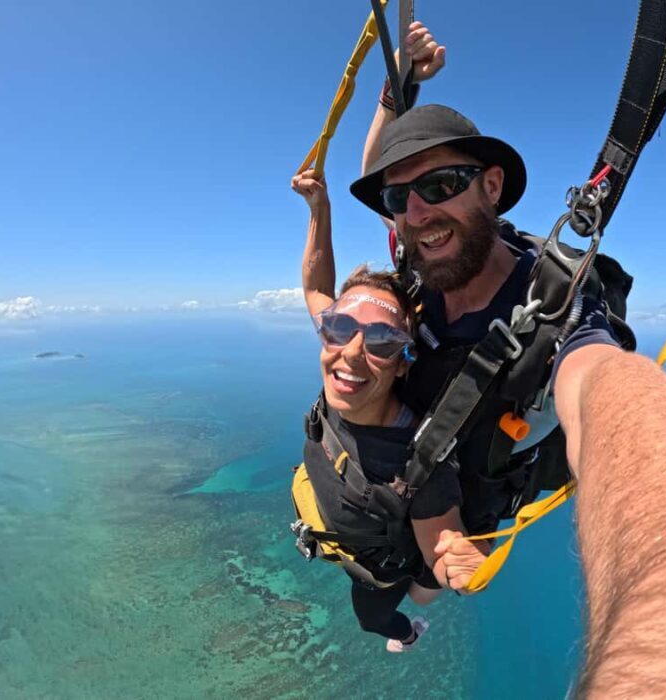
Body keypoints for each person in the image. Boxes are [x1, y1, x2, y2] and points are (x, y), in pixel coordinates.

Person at [352, 41, 666, 695]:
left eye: (440, 186)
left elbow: (606, 386)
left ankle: (413, 612)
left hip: (469, 496)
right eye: (399, 197)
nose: (416, 212)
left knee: (429, 583)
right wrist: (390, 99)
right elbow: (377, 177)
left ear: (491, 185)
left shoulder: (554, 311)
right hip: (416, 460)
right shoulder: (421, 252)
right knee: (394, 578)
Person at [286, 21, 491, 652]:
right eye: (340, 328)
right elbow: (319, 285)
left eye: (378, 342)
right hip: (342, 527)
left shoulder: (417, 460)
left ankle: (416, 622)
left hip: (378, 564)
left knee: (381, 619)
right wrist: (320, 213)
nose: (349, 350)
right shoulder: (348, 344)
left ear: (405, 361)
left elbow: (444, 536)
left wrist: (456, 560)